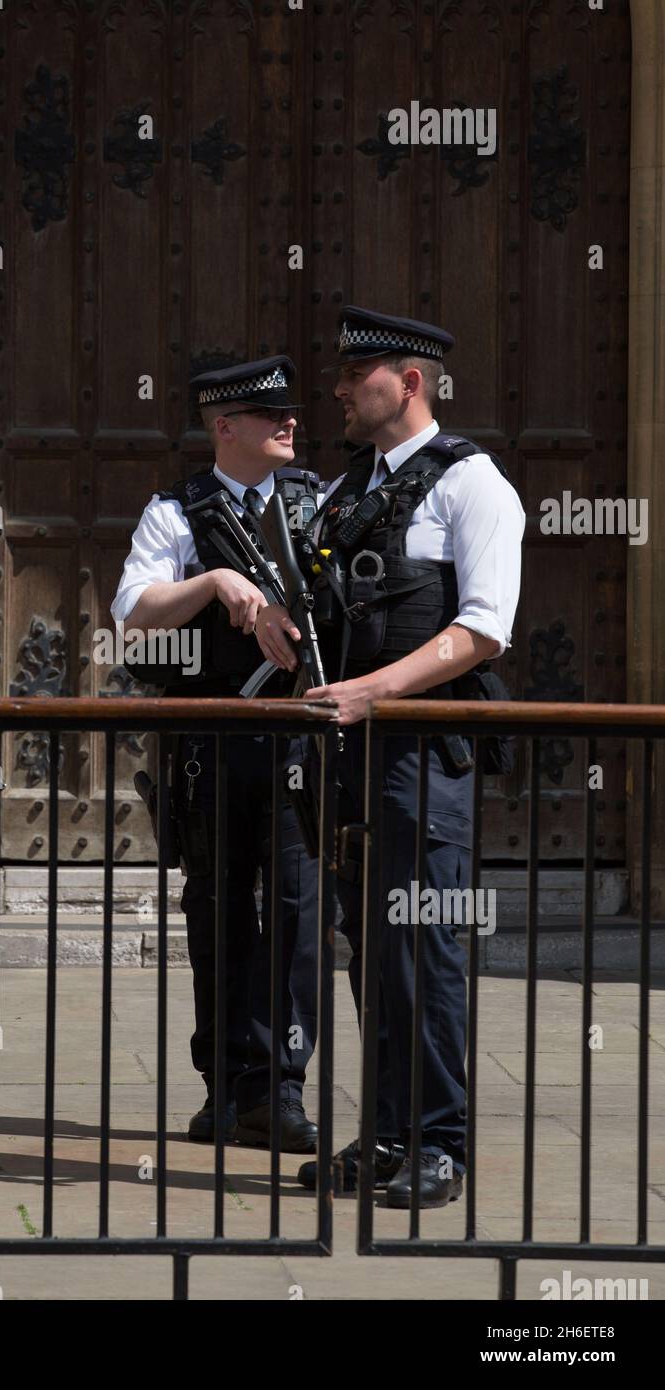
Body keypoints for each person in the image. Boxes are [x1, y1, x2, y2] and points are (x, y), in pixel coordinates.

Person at [254, 308, 525, 1206]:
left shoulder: (471, 485)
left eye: (352, 374)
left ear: (407, 383)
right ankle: (388, 1136)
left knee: (426, 950)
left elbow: (481, 630)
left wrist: (377, 689)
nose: (334, 388)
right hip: (348, 758)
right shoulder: (348, 491)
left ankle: (438, 1146)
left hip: (419, 758)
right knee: (371, 952)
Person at [112, 356, 322, 1152]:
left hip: (299, 733)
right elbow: (133, 612)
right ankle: (225, 1089)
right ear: (223, 427)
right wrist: (217, 583)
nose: (289, 425)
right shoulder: (176, 513)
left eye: (291, 414)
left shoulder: (317, 504)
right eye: (270, 416)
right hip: (212, 740)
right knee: (217, 909)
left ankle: (283, 1086)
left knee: (298, 914)